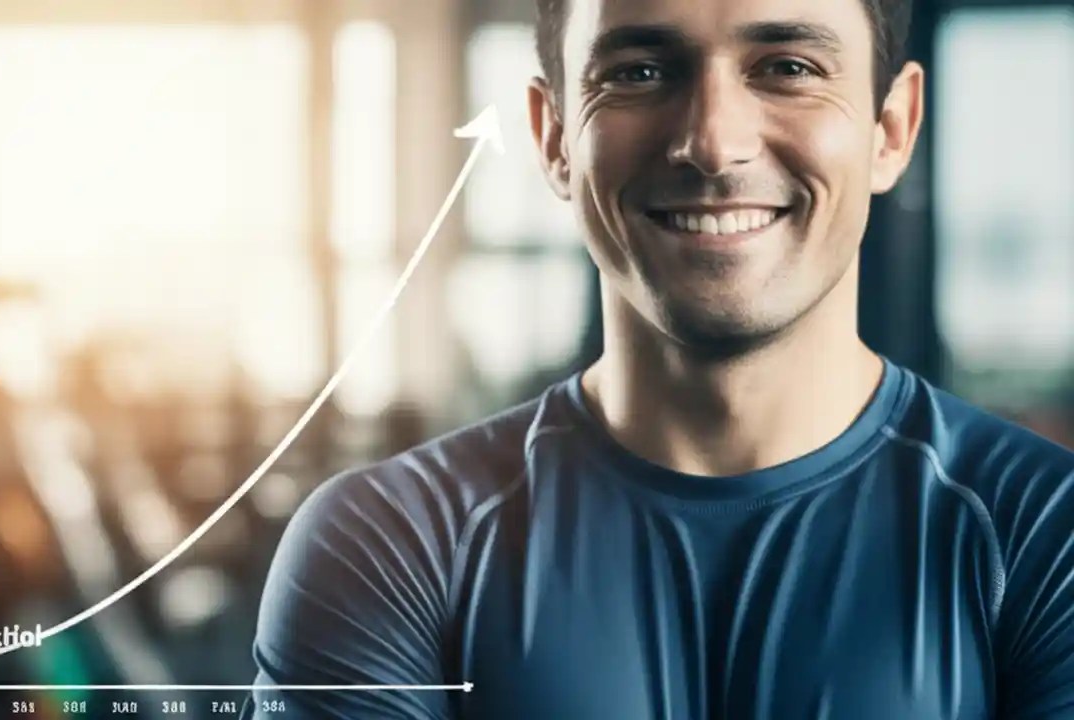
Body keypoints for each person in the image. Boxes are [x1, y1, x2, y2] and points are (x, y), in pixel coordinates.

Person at [241, 0, 1074, 716]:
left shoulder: (1043, 540)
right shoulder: (394, 546)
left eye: (786, 66)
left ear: (892, 130)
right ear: (554, 135)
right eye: (640, 72)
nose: (713, 143)